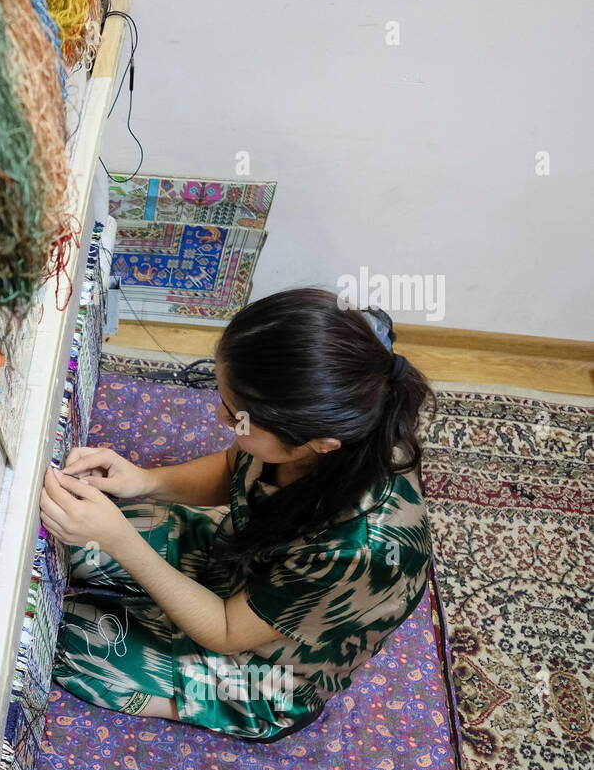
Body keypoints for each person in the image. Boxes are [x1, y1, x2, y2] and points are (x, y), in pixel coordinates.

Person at [38, 288, 435, 740]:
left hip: (260, 666)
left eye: (238, 416)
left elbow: (226, 631)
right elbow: (234, 467)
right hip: (238, 555)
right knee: (67, 535)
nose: (224, 419)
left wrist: (120, 541)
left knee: (64, 638)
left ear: (319, 444)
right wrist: (146, 482)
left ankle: (221, 704)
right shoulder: (312, 427)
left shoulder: (358, 550)